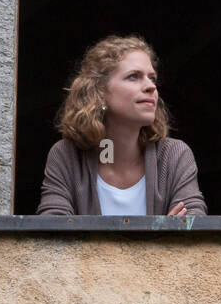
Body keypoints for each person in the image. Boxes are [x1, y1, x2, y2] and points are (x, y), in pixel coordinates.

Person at [37, 35, 207, 216]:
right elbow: (52, 234)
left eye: (152, 78)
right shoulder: (67, 156)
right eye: (134, 76)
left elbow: (194, 228)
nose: (151, 87)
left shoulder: (174, 155)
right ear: (100, 92)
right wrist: (162, 236)